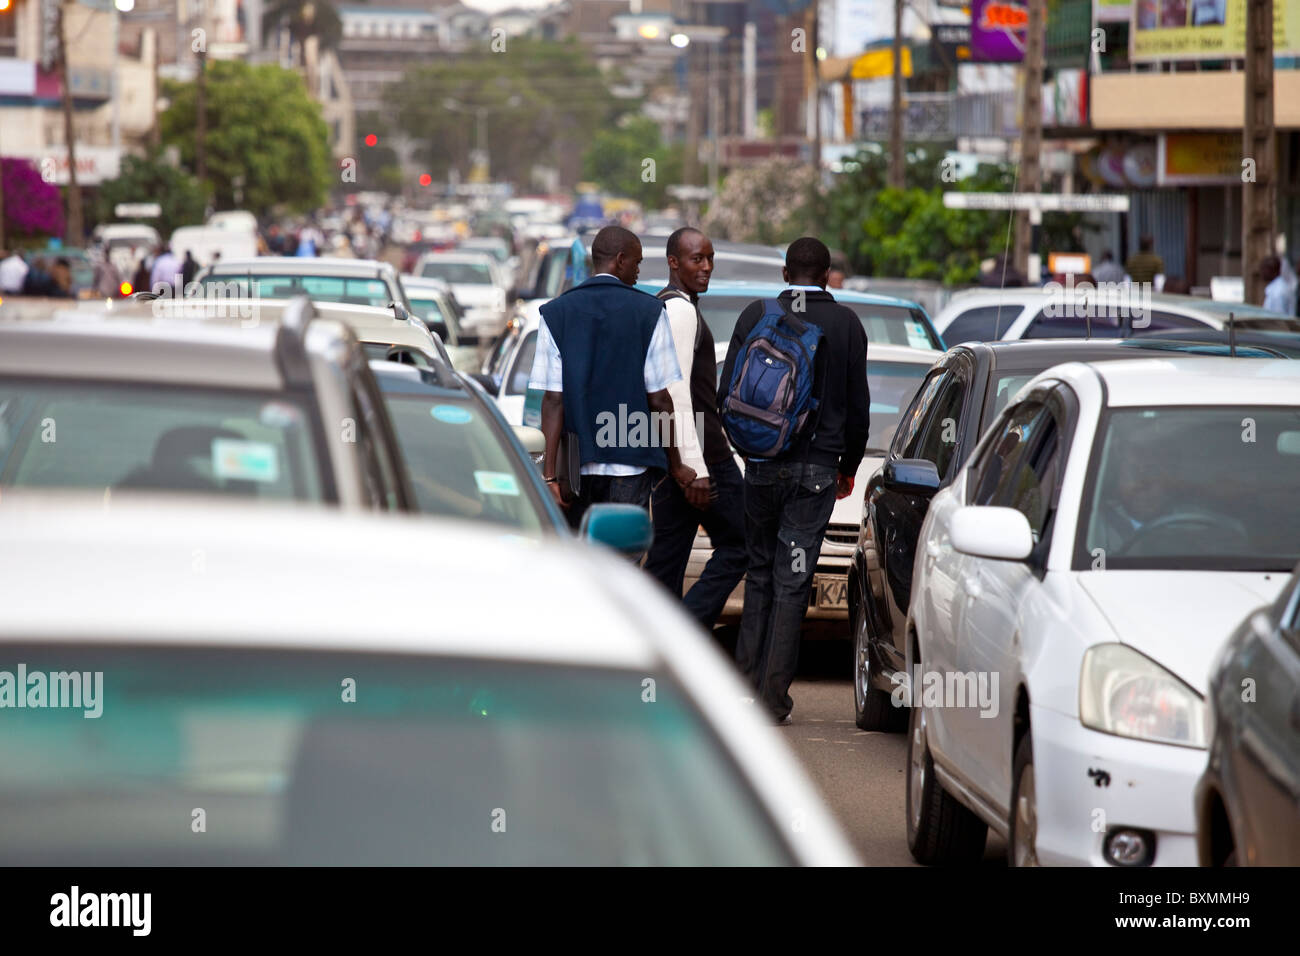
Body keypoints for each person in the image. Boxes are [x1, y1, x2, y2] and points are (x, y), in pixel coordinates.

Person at [719, 237, 869, 724]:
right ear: (827, 276)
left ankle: (743, 692)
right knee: (792, 579)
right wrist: (846, 466)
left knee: (759, 571)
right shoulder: (847, 325)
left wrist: (751, 449)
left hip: (762, 466)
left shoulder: (756, 315)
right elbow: (858, 408)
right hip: (818, 472)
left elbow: (728, 396)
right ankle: (773, 699)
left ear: (786, 274)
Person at [528, 225, 697, 544]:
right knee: (622, 563)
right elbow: (659, 399)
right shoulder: (649, 312)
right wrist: (676, 464)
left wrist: (550, 476)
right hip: (631, 463)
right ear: (620, 260)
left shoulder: (556, 313)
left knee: (582, 563)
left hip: (577, 467)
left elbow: (553, 400)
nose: (638, 272)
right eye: (637, 263)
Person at [643, 227, 748, 629]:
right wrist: (694, 469)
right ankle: (681, 636)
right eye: (695, 259)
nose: (706, 267)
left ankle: (658, 648)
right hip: (701, 458)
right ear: (673, 262)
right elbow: (675, 391)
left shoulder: (671, 305)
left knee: (666, 563)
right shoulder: (680, 310)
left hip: (679, 458)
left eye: (709, 258)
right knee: (740, 544)